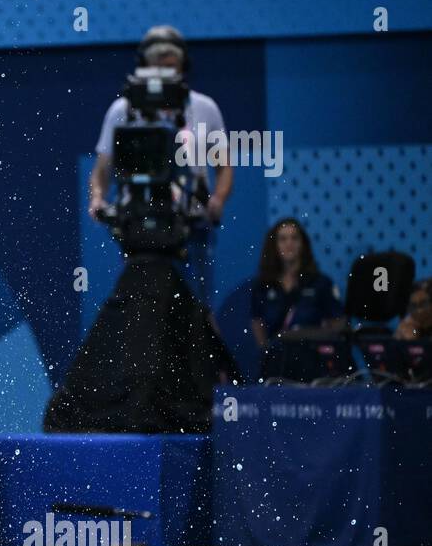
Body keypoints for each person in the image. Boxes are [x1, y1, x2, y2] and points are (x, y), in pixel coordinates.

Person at [88, 25, 231, 308]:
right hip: (138, 219)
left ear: (183, 65)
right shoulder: (122, 111)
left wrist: (218, 200)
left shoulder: (205, 108)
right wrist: (97, 198)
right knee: (143, 308)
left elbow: (223, 167)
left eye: (171, 65)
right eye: (158, 65)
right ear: (144, 67)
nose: (165, 71)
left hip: (190, 221)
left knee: (198, 310)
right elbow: (102, 169)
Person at [250, 218, 346, 349]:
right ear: (274, 245)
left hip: (312, 359)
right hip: (278, 361)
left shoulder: (320, 283)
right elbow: (257, 321)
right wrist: (266, 352)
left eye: (294, 238)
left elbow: (339, 321)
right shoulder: (263, 285)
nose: (289, 243)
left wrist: (323, 337)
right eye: (283, 239)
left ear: (302, 244)